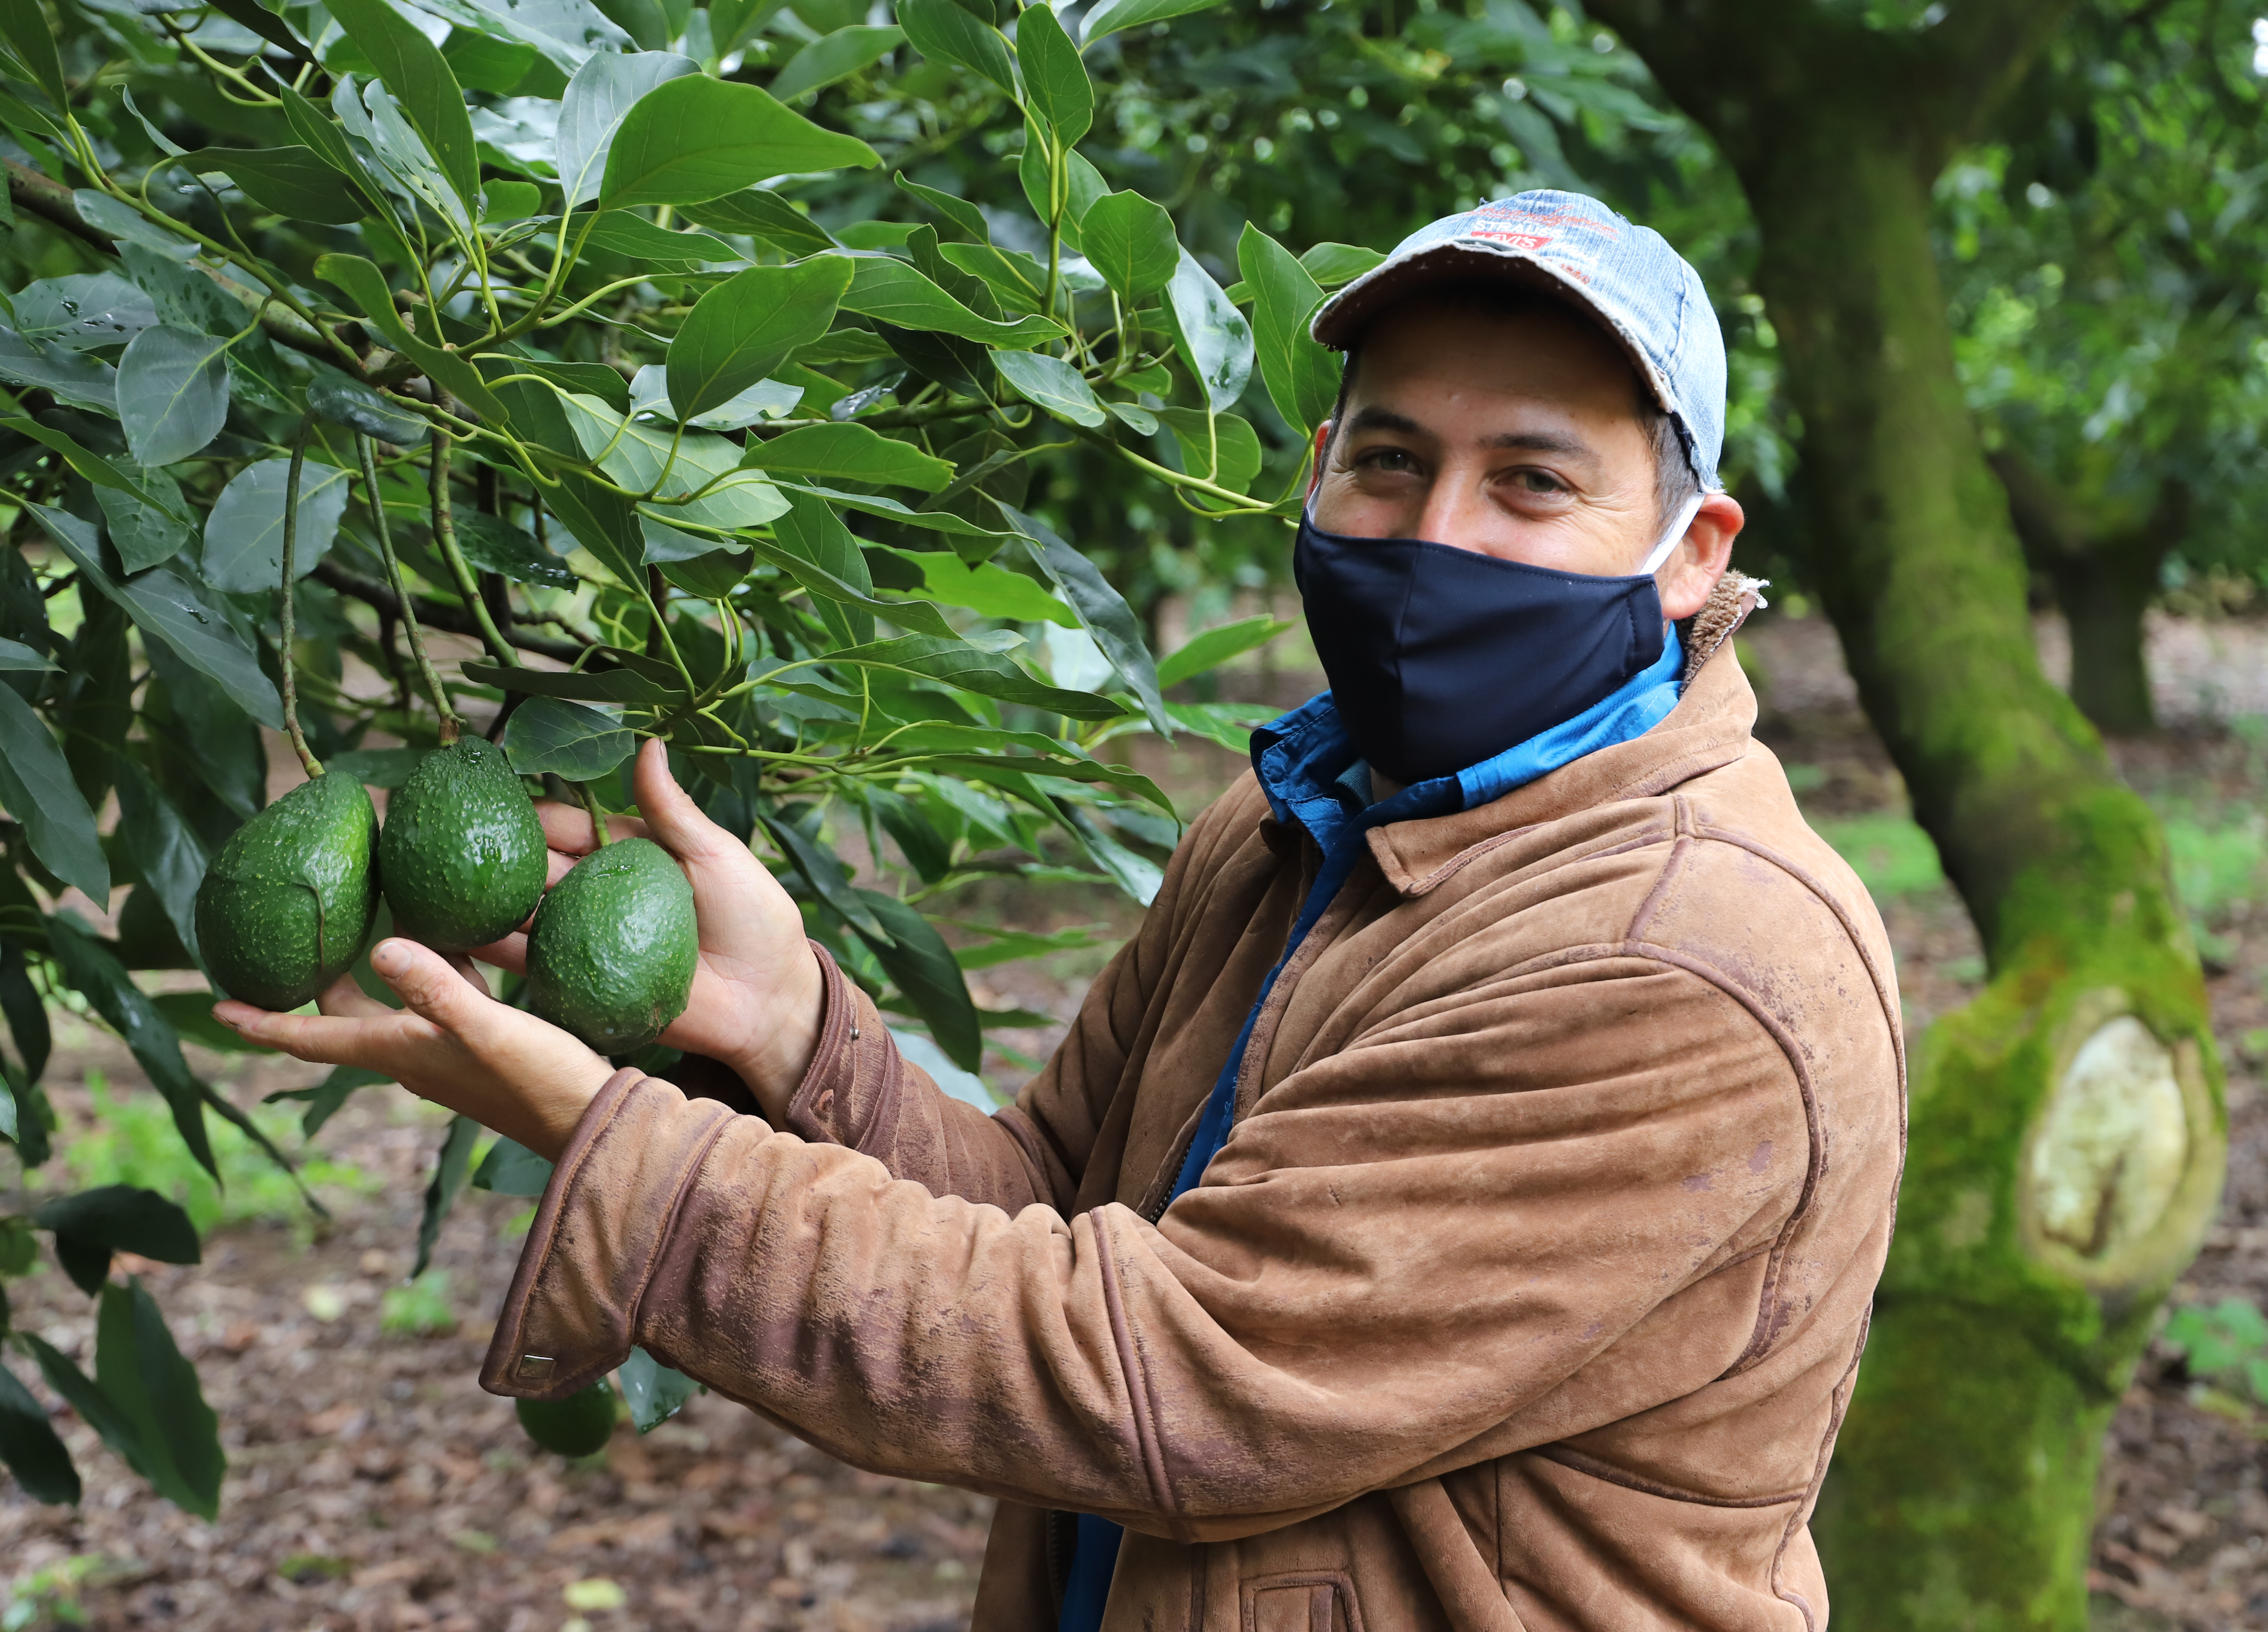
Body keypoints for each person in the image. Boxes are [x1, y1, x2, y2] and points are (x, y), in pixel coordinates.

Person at [222, 189, 1904, 1631]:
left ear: (1693, 549)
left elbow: (1168, 1374)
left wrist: (624, 1154)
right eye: (1391, 461)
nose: (1436, 532)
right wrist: (786, 1022)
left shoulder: (1683, 957)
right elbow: (1048, 1201)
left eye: (1533, 481)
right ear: (1318, 471)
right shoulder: (1298, 815)